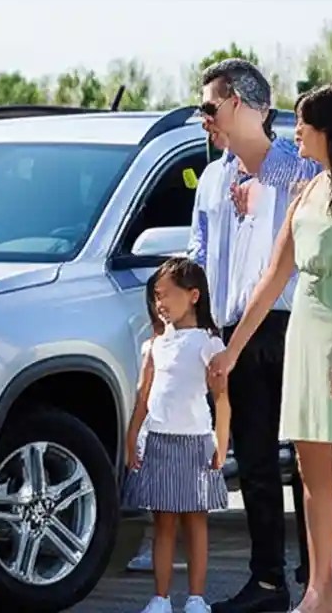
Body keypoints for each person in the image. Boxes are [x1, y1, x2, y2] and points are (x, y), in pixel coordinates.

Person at [209, 83, 332, 613]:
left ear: (329, 131)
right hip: (306, 337)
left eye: (304, 127)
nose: (295, 134)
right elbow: (272, 278)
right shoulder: (306, 192)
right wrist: (233, 350)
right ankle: (320, 590)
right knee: (311, 472)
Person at [193, 59, 322, 613]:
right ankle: (268, 583)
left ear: (244, 106)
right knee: (256, 461)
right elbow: (200, 255)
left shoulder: (302, 171)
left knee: (314, 460)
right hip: (232, 334)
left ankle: (320, 581)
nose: (204, 120)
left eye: (210, 108)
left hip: (293, 327)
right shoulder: (213, 179)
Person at [123, 257, 231, 613]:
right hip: (159, 441)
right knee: (163, 522)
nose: (160, 304)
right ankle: (161, 597)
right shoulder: (155, 345)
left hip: (195, 443)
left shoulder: (208, 344)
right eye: (156, 297)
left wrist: (221, 441)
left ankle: (196, 598)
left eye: (167, 295)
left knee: (196, 521)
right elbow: (143, 395)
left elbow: (222, 400)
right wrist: (132, 436)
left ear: (194, 295)